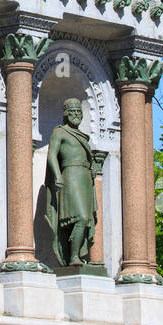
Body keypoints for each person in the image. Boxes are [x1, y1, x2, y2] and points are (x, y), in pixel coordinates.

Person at [44, 98, 97, 266]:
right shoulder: (59, 132)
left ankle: (78, 256)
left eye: (79, 112)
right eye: (72, 112)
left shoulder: (83, 136)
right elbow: (52, 154)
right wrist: (57, 175)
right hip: (70, 175)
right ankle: (73, 256)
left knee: (86, 218)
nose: (76, 115)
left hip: (84, 178)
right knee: (80, 217)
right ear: (65, 113)